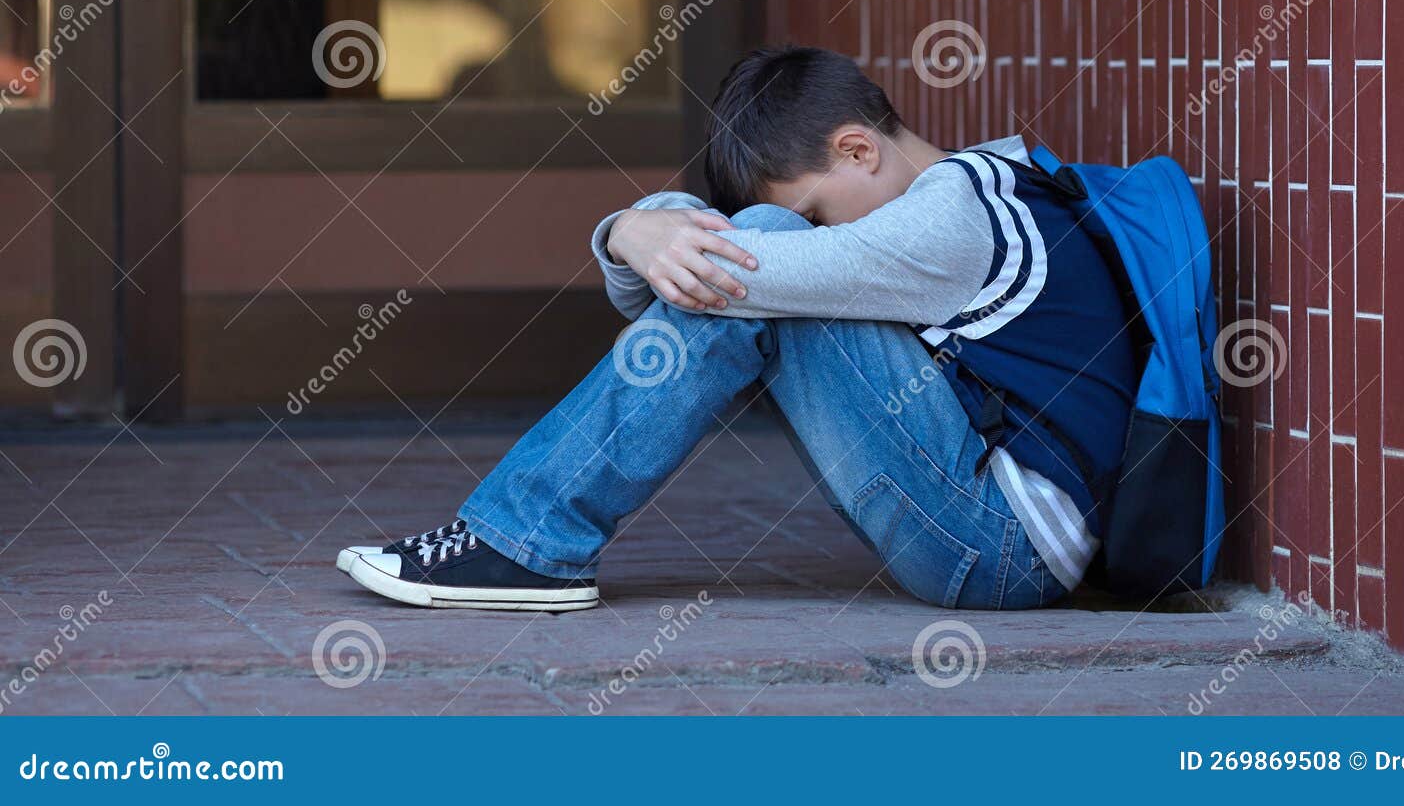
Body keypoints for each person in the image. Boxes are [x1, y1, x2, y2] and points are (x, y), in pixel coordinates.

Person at [340, 45, 1138, 612]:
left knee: (756, 253)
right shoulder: (984, 183)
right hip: (981, 519)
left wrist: (628, 230)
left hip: (1001, 547)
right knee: (754, 251)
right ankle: (523, 538)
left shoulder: (950, 220)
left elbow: (726, 278)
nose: (820, 231)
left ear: (857, 150)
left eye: (817, 212)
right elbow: (700, 291)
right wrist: (639, 235)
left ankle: (525, 542)